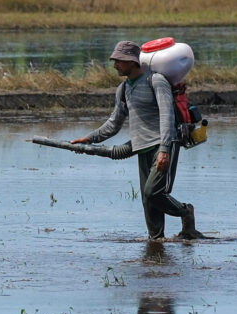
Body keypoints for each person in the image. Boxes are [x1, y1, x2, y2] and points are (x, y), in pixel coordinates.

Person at [75, 39, 205, 240]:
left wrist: (164, 149)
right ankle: (156, 242)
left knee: (154, 192)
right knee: (147, 199)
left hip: (163, 144)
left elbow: (167, 115)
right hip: (141, 146)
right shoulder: (123, 89)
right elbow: (114, 123)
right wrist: (89, 139)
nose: (115, 65)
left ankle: (186, 212)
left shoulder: (156, 81)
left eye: (119, 61)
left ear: (132, 61)